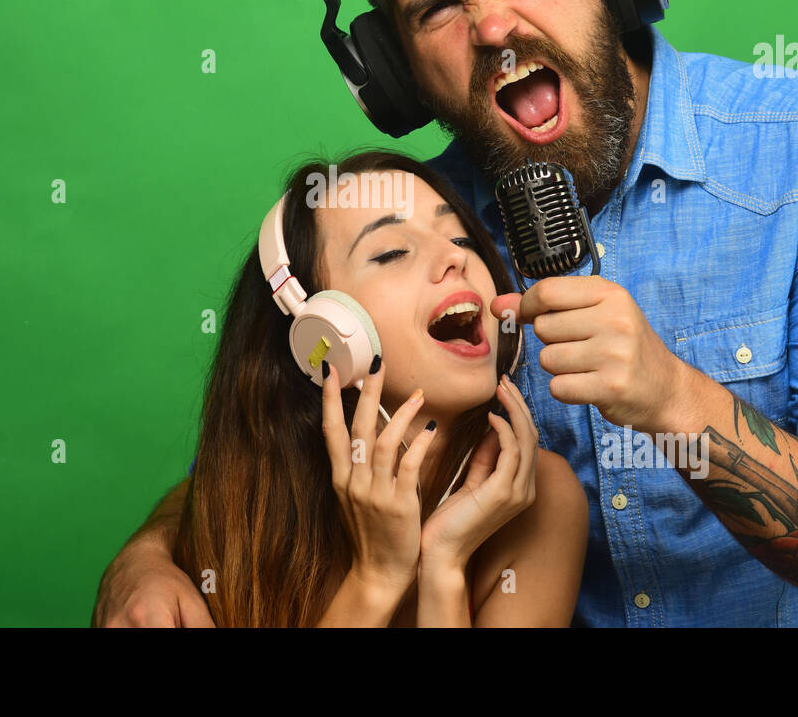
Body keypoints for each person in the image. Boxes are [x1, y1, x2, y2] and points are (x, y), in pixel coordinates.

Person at [94, 0, 798, 628]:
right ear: (393, 76)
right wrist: (150, 551)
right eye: (439, 10)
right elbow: (270, 446)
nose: (493, 26)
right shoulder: (419, 224)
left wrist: (671, 397)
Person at [169, 150, 587, 626]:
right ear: (322, 331)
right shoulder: (249, 503)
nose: (455, 257)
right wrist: (378, 576)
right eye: (391, 252)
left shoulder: (540, 496)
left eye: (460, 236)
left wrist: (443, 563)